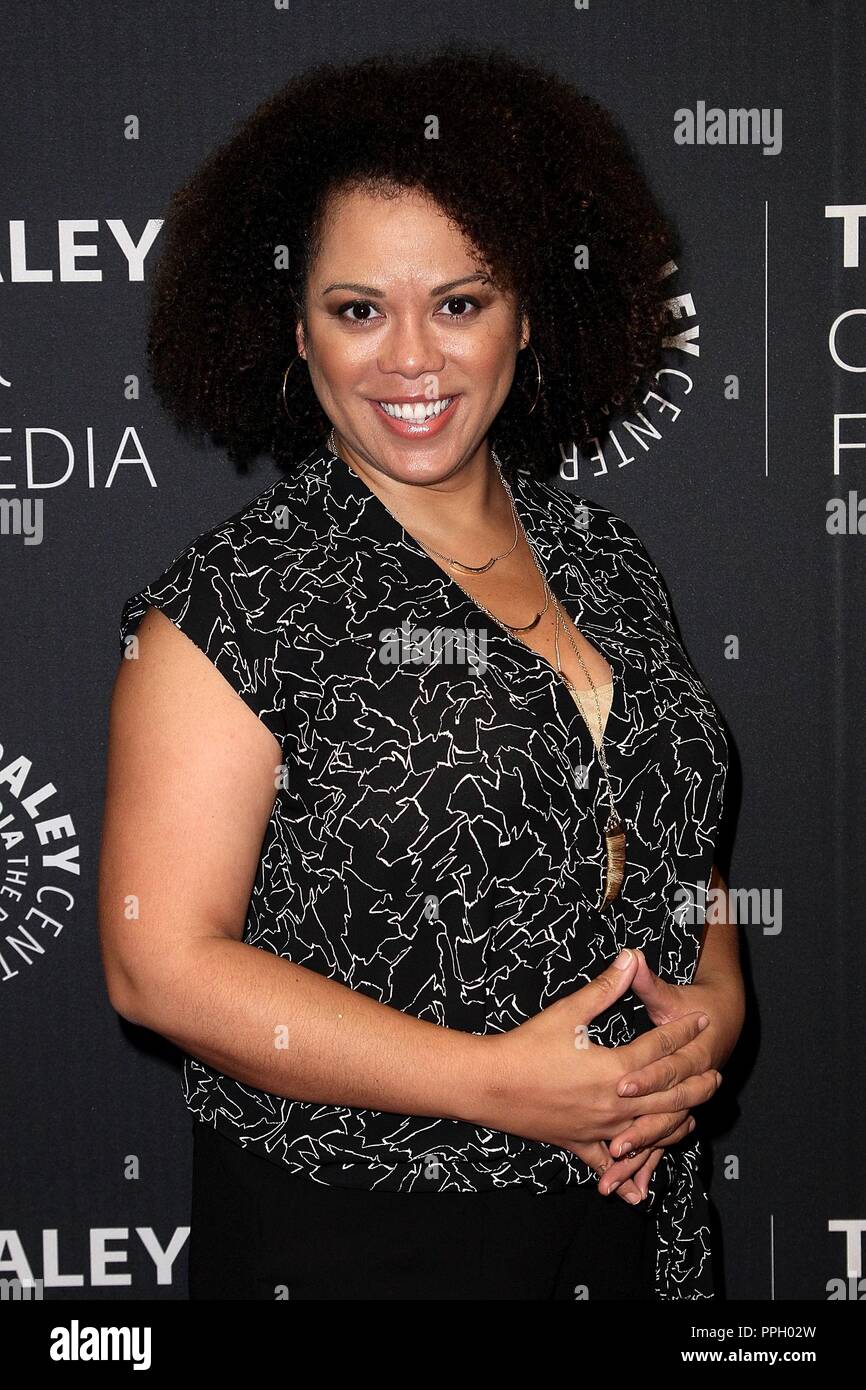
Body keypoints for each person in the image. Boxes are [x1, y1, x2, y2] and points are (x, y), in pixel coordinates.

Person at [98, 46, 745, 1301]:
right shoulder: (235, 601)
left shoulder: (609, 561)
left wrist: (708, 1017)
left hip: (629, 1213)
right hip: (363, 1238)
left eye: (457, 302)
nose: (411, 358)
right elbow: (156, 961)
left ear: (524, 317)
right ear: (297, 333)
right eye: (357, 309)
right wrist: (494, 1083)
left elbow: (683, 862)